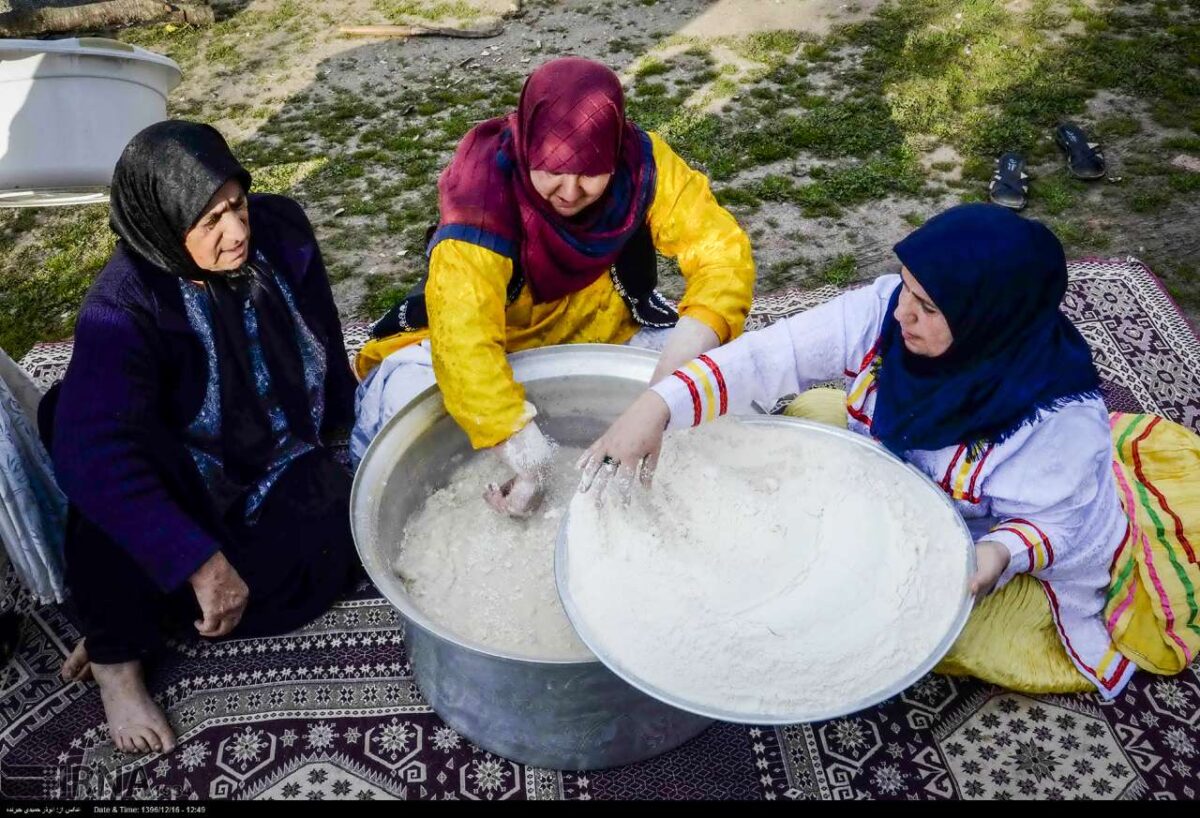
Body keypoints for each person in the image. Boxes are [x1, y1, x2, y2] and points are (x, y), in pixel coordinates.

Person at [581, 203, 1200, 699]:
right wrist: (656, 408)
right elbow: (777, 354)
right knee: (805, 418)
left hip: (987, 526)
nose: (903, 312)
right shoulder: (888, 311)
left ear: (990, 323)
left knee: (936, 635)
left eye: (928, 307)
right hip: (900, 467)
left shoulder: (1057, 427)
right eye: (906, 288)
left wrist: (997, 552)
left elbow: (1056, 522)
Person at [48, 121, 360, 754]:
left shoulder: (281, 232)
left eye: (237, 205)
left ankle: (147, 603)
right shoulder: (123, 306)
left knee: (337, 542)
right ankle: (116, 659)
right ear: (163, 226)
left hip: (270, 449)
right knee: (100, 483)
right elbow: (97, 455)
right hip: (182, 463)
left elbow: (323, 334)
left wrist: (343, 437)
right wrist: (196, 560)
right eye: (210, 221)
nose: (238, 231)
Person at [352, 56, 755, 516]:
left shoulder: (644, 164)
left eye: (590, 172)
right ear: (526, 145)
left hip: (600, 322)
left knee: (726, 376)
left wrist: (662, 394)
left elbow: (723, 255)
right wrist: (529, 460)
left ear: (614, 148)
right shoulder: (480, 195)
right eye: (552, 170)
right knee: (408, 407)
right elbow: (464, 337)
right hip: (496, 338)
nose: (569, 190)